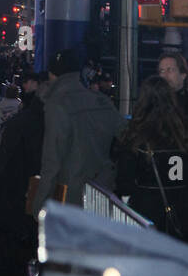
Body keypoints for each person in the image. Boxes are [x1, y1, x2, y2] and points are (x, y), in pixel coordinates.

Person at [32, 49, 124, 214]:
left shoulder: (57, 105)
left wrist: (39, 205)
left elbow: (52, 162)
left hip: (70, 196)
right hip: (102, 192)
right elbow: (126, 136)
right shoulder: (101, 101)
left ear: (52, 75)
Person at [113, 76, 188, 239]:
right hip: (181, 212)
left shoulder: (137, 136)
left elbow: (124, 183)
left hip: (147, 213)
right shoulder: (184, 133)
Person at [0, 80, 45, 276]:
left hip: (11, 208)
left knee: (12, 270)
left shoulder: (19, 124)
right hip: (19, 208)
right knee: (15, 271)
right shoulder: (33, 127)